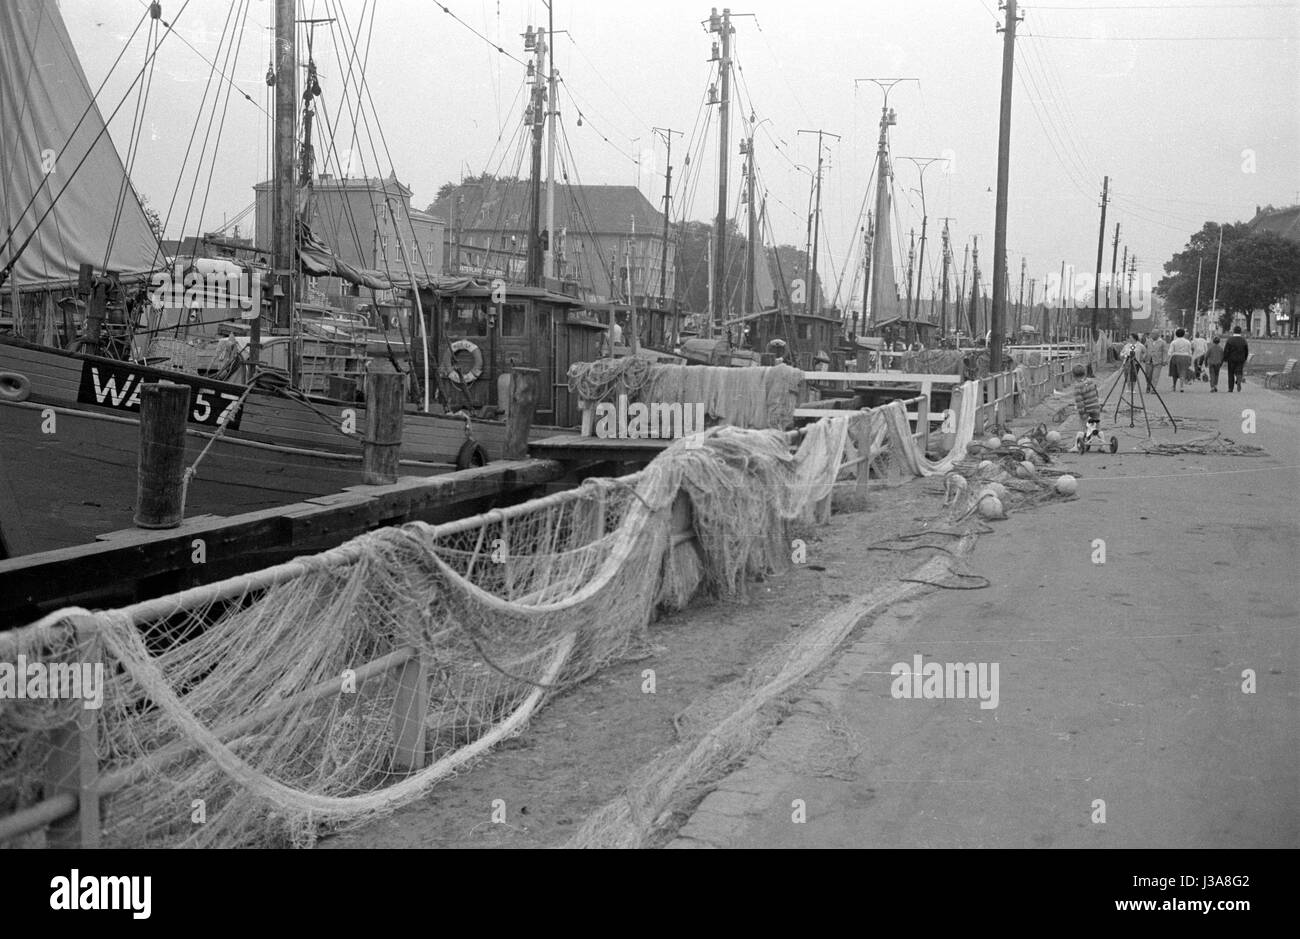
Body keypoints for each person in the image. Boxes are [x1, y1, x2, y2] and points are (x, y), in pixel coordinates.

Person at [1071, 363, 1101, 452]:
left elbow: (1079, 402)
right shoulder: (1091, 382)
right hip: (1095, 407)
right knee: (1097, 426)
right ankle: (1102, 445)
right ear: (1085, 373)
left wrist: (1081, 413)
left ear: (1073, 375)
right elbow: (1096, 393)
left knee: (1082, 427)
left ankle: (1076, 446)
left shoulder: (1077, 387)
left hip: (1086, 409)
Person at [1224, 325, 1249, 392]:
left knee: (1231, 373)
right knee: (1239, 371)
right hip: (1241, 359)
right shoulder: (1244, 340)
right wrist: (1245, 358)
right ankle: (1238, 380)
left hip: (1231, 359)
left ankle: (1230, 388)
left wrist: (1225, 358)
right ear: (1240, 332)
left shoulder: (1230, 340)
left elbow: (1226, 350)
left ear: (1233, 331)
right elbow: (1246, 350)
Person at [1168, 328, 1193, 392]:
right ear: (1184, 334)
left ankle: (1174, 385)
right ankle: (1181, 386)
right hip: (1185, 356)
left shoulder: (1174, 342)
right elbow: (1190, 351)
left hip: (1175, 356)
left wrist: (1168, 358)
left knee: (1174, 372)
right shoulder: (1187, 342)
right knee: (1183, 371)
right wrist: (1190, 359)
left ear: (1176, 334)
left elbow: (1170, 352)